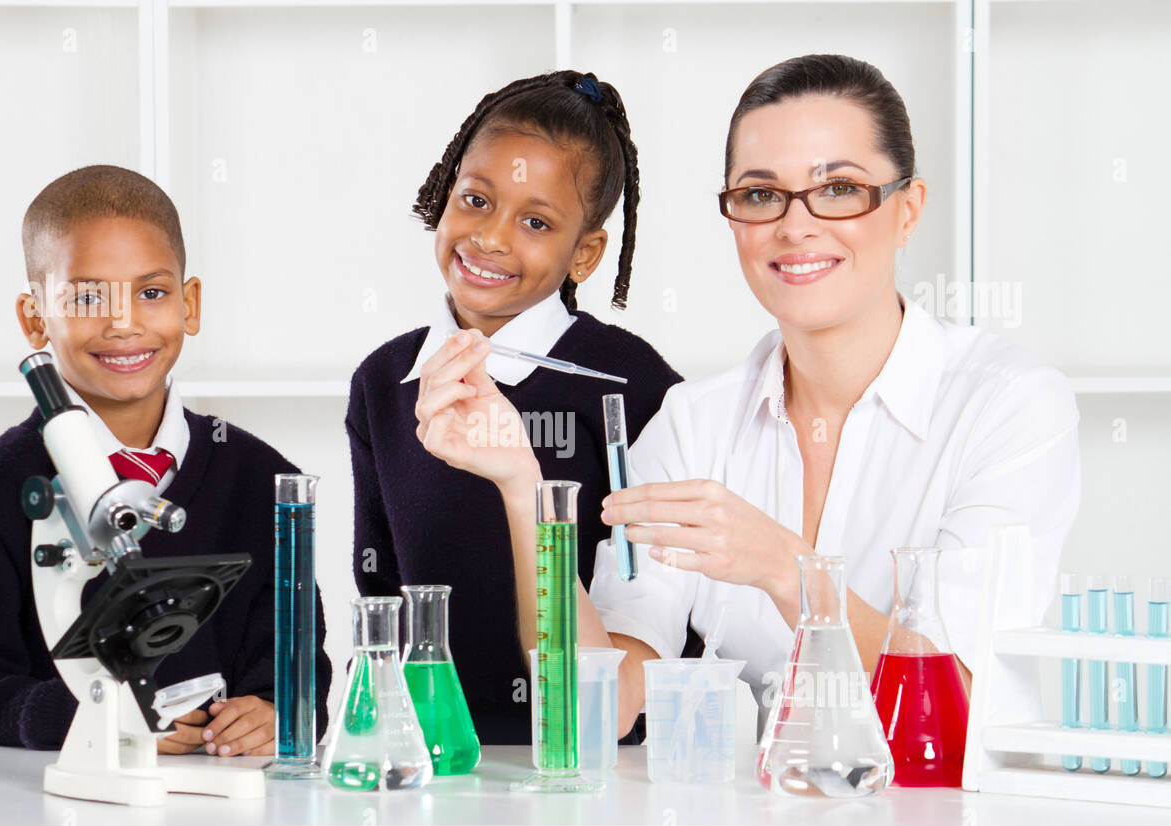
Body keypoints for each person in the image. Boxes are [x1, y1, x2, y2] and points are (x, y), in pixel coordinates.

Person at [414, 54, 1081, 738]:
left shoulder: (1010, 406)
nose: (796, 226)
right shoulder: (691, 428)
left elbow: (955, 707)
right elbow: (595, 712)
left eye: (840, 188)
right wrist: (526, 492)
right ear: (733, 218)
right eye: (761, 194)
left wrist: (786, 571)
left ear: (907, 210)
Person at [0, 165, 331, 752]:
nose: (124, 323)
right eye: (88, 296)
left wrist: (277, 714)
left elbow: (299, 673)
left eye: (152, 292)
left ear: (189, 304)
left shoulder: (263, 479)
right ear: (35, 318)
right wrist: (99, 722)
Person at [347, 71, 683, 744]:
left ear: (585, 252)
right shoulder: (384, 382)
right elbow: (378, 590)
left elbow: (649, 623)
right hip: (440, 758)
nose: (491, 238)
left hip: (604, 762)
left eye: (536, 221)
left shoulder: (635, 386)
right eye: (475, 200)